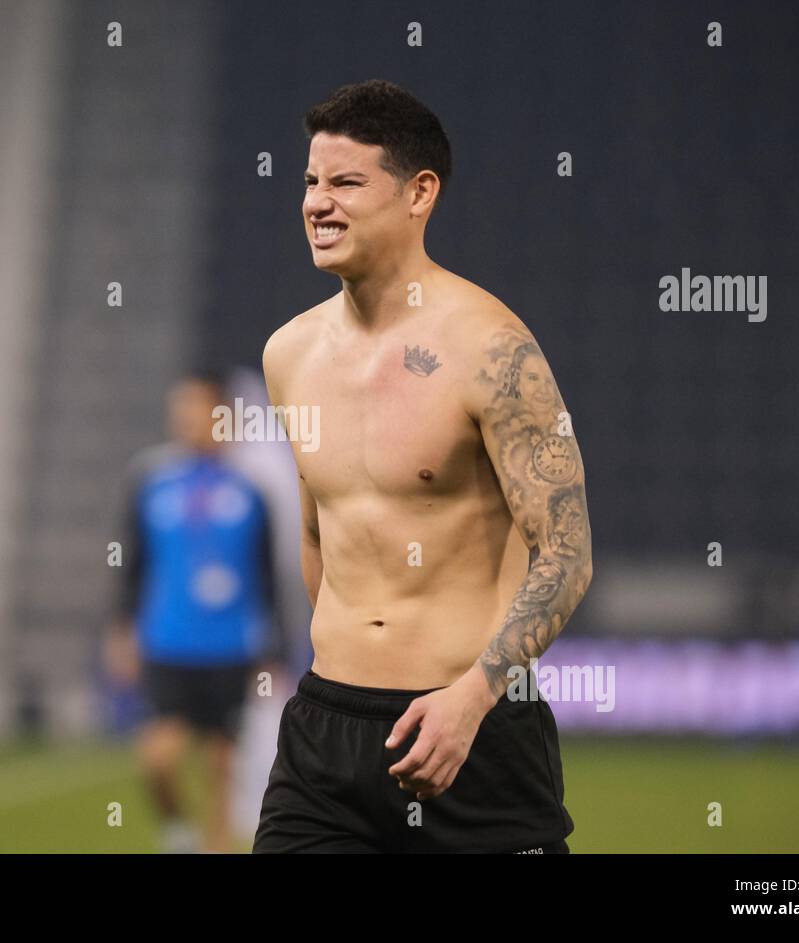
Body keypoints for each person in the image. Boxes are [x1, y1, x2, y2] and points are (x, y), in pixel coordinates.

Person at [253, 80, 593, 853]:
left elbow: (568, 552)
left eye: (345, 182)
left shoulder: (495, 349)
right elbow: (319, 533)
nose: (316, 202)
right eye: (310, 181)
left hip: (472, 735)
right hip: (325, 739)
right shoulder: (288, 354)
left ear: (420, 193)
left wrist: (473, 697)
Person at [107, 371, 284, 852]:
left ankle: (216, 845)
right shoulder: (152, 481)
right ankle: (177, 832)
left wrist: (274, 648)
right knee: (157, 758)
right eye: (180, 409)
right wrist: (122, 629)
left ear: (222, 414)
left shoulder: (251, 490)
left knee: (221, 765)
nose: (187, 420)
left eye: (198, 409)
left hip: (230, 644)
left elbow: (267, 575)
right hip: (167, 640)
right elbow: (134, 563)